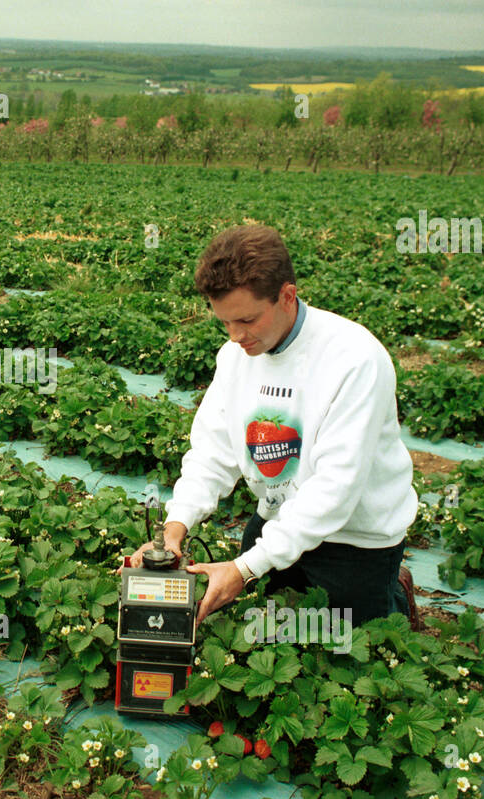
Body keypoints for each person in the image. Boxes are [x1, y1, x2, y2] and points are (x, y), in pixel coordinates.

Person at [129, 224, 420, 629]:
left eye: (246, 320)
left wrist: (246, 567)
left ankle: (394, 593)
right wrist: (177, 526)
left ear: (287, 296)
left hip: (355, 537)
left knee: (347, 648)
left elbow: (335, 490)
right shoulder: (236, 356)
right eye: (225, 322)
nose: (235, 337)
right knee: (254, 630)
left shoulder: (354, 359)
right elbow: (211, 456)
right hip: (277, 519)